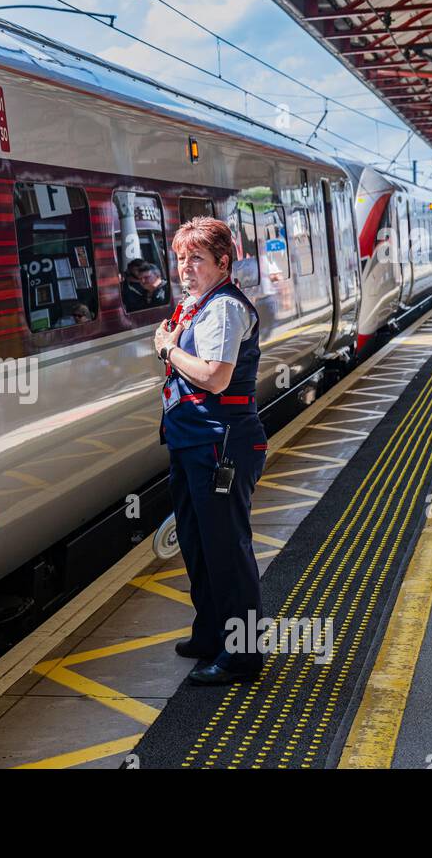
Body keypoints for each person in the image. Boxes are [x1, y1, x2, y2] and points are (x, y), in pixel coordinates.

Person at [153, 217, 267, 685]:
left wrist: (167, 349)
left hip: (221, 444)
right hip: (193, 441)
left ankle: (241, 654)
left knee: (226, 550)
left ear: (222, 263)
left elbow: (216, 377)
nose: (185, 268)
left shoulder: (223, 309)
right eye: (181, 259)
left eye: (196, 259)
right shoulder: (198, 305)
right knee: (199, 545)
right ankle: (211, 632)